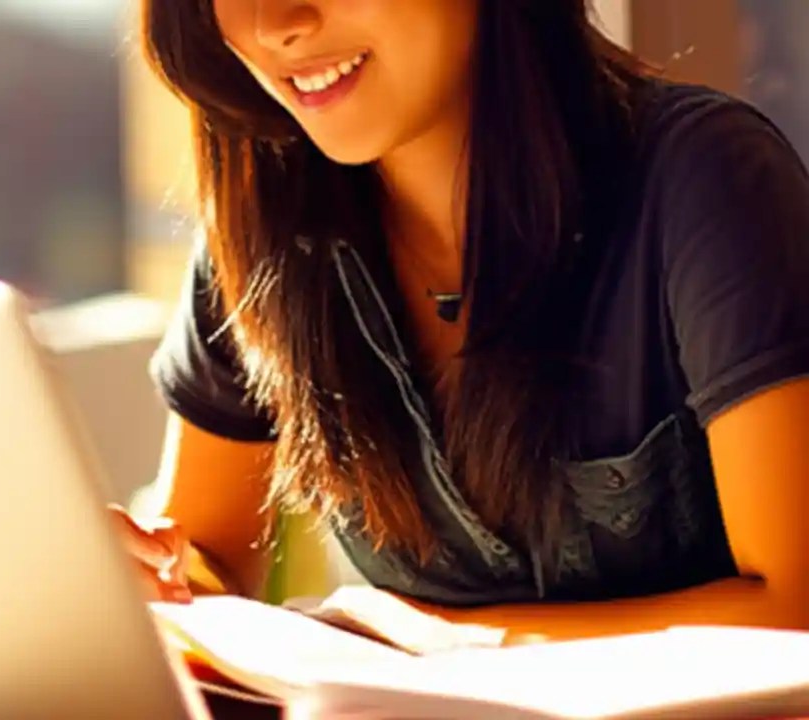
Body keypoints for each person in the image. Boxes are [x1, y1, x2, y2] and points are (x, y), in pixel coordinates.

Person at [111, 0, 809, 645]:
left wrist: (442, 641)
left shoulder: (705, 178)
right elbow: (205, 560)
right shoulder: (266, 226)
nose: (275, 23)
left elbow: (795, 610)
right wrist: (133, 579)